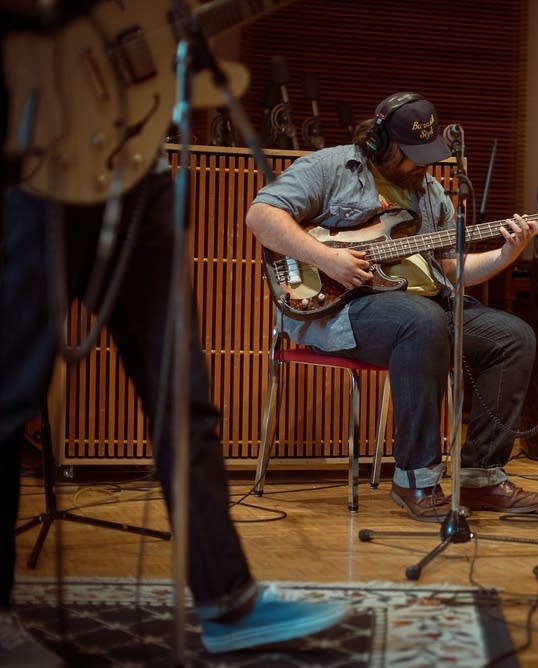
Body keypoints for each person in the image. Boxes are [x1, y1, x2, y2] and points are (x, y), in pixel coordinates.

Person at [0, 4, 348, 663]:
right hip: (32, 157)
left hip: (140, 168)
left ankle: (227, 600)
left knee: (183, 398)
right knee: (10, 399)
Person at [245, 92, 538, 522]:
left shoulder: (430, 193)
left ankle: (481, 476)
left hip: (423, 306)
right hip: (343, 310)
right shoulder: (332, 167)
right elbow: (261, 217)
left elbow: (453, 268)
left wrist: (506, 256)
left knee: (513, 337)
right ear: (379, 141)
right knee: (421, 321)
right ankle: (416, 480)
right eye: (412, 155)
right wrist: (326, 257)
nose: (422, 165)